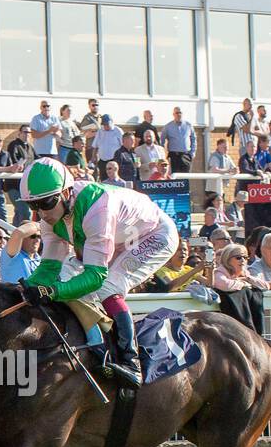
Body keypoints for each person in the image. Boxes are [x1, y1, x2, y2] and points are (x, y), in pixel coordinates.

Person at [17, 158, 180, 386]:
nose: (41, 213)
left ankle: (130, 361)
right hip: (122, 236)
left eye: (46, 203)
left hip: (155, 234)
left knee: (107, 286)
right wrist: (23, 289)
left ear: (66, 193)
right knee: (66, 276)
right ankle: (98, 346)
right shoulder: (50, 219)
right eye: (33, 206)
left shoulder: (96, 209)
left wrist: (51, 292)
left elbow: (95, 277)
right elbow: (49, 268)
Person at [161, 106, 195, 175]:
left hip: (186, 155)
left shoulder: (188, 125)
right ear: (173, 114)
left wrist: (192, 153)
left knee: (185, 179)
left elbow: (193, 139)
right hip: (174, 156)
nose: (178, 114)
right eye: (176, 113)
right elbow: (162, 141)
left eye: (180, 113)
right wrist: (164, 155)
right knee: (174, 177)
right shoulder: (168, 126)